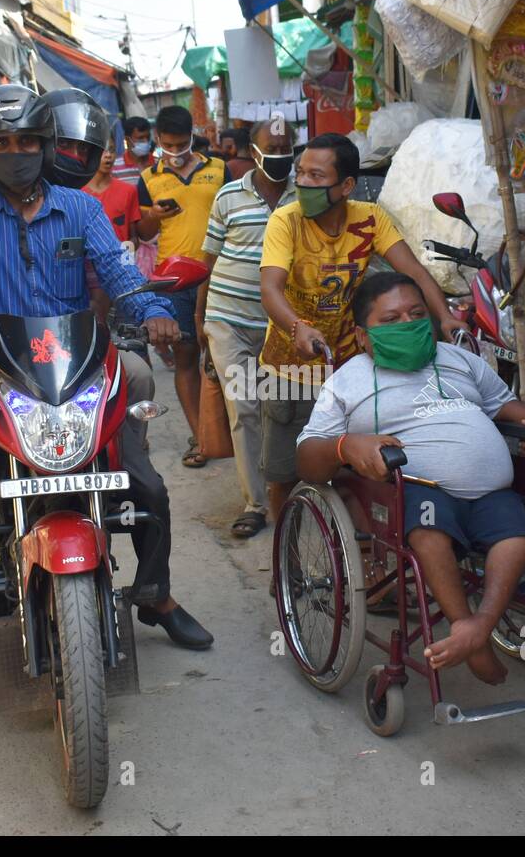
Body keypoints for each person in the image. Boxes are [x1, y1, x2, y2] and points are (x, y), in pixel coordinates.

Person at [0, 84, 213, 718]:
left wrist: (153, 314)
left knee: (144, 481)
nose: (16, 154)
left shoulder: (81, 209)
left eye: (28, 142)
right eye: (2, 144)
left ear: (46, 145)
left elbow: (120, 277)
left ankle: (155, 593)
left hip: (76, 366)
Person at [295, 272, 525, 684]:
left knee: (520, 534)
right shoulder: (347, 380)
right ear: (363, 335)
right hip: (418, 491)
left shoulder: (460, 361)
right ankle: (466, 626)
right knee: (428, 529)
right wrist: (345, 446)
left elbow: (514, 411)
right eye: (391, 320)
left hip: (491, 492)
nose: (407, 324)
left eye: (416, 313)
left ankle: (475, 630)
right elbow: (307, 457)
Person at [258, 132, 466, 525]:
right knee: (284, 473)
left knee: (349, 464)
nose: (303, 183)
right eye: (300, 173)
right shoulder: (286, 220)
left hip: (348, 366)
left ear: (347, 185)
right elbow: (270, 289)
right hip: (290, 366)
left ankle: (357, 551)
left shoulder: (370, 218)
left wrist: (446, 317)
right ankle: (287, 557)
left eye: (317, 177)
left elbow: (414, 272)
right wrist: (298, 327)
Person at [195, 117, 297, 538]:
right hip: (229, 321)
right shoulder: (228, 197)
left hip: (283, 323)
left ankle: (287, 488)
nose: (280, 157)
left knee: (284, 406)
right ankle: (256, 503)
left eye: (286, 148)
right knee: (245, 407)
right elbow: (209, 262)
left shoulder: (303, 197)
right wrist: (201, 322)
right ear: (252, 154)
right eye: (271, 149)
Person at [135, 104, 231, 468]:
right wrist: (153, 216)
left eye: (181, 144)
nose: (175, 152)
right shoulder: (148, 178)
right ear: (158, 141)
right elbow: (143, 234)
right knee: (186, 357)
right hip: (173, 280)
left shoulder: (218, 169)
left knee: (223, 356)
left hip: (219, 274)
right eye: (168, 145)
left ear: (193, 137)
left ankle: (229, 431)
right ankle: (200, 437)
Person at [81, 129, 142, 322]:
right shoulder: (77, 194)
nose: (108, 156)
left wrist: (124, 262)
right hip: (86, 273)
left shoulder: (128, 191)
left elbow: (134, 237)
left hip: (120, 269)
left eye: (112, 151)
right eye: (102, 151)